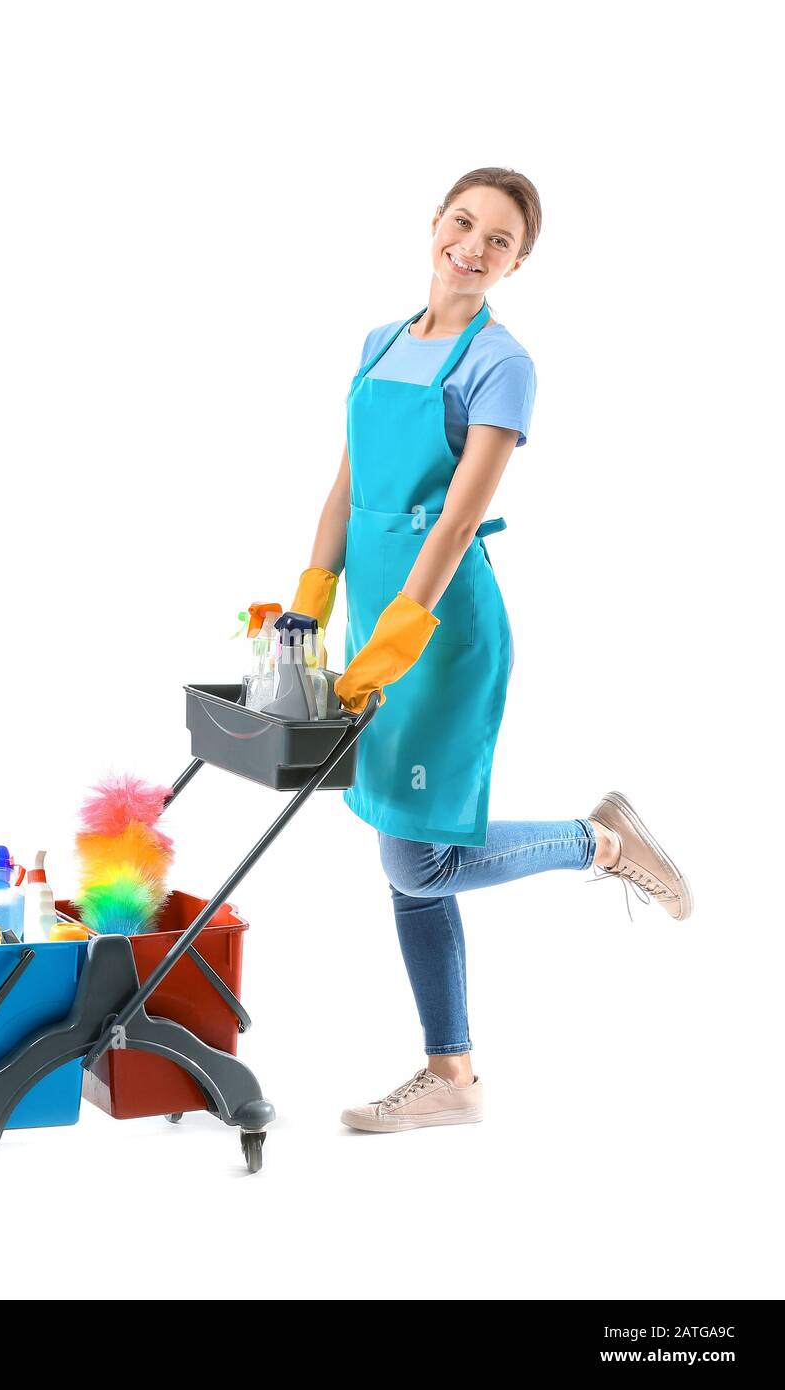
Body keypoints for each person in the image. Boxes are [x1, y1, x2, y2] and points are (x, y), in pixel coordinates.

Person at [283, 167, 693, 1134]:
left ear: (519, 263)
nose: (472, 246)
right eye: (462, 223)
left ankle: (599, 841)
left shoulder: (501, 363)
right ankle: (452, 1074)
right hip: (373, 625)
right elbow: (346, 491)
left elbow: (458, 519)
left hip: (441, 631)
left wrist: (392, 647)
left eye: (498, 240)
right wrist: (308, 602)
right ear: (433, 224)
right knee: (404, 851)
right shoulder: (378, 342)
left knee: (421, 864)